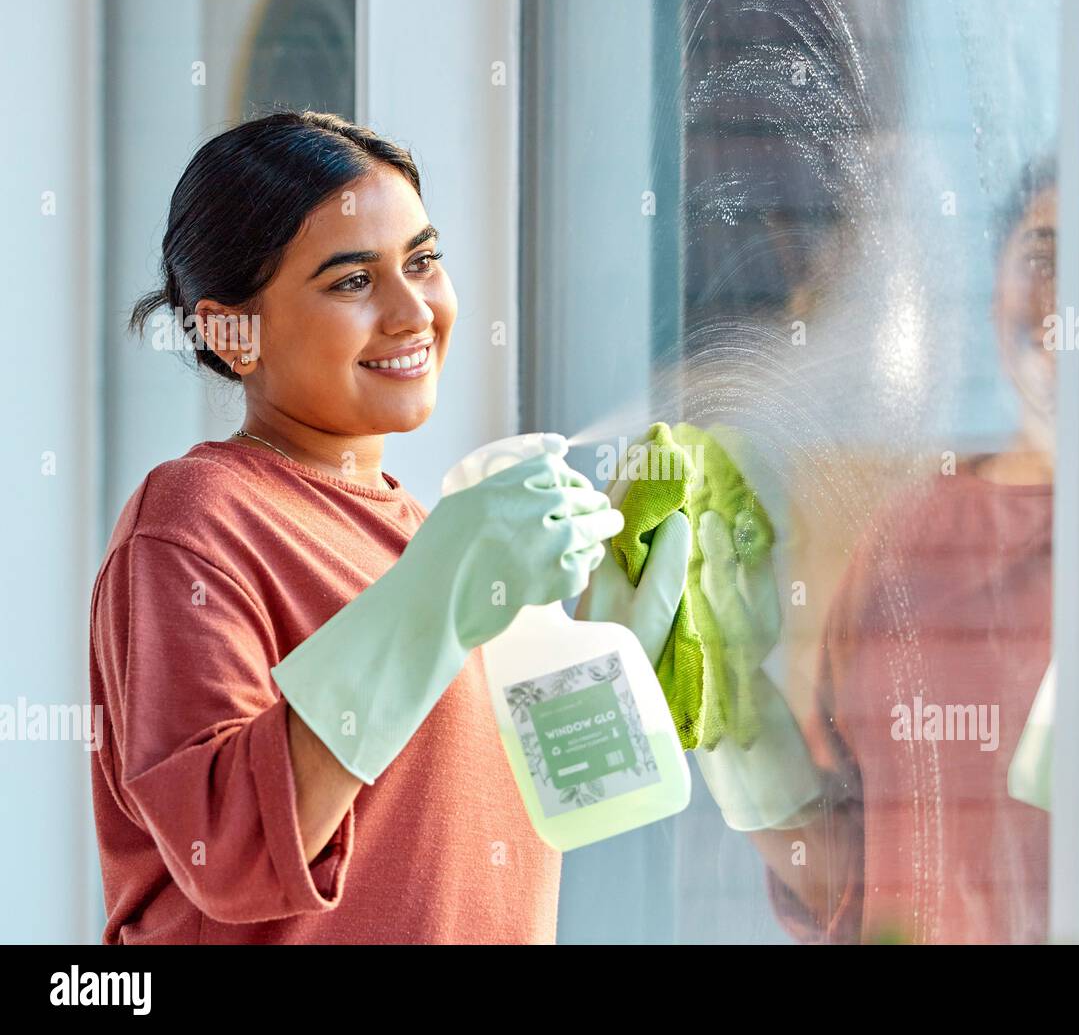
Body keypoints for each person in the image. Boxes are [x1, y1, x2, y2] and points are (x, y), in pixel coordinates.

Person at [87, 111, 681, 944]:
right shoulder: (195, 519)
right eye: (352, 281)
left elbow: (514, 828)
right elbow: (228, 848)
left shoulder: (434, 541)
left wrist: (607, 667)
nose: (413, 313)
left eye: (424, 261)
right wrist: (439, 593)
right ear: (230, 331)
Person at [746, 161, 1058, 943]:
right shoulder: (912, 529)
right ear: (994, 292)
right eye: (1040, 258)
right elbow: (836, 885)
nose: (1060, 301)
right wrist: (733, 735)